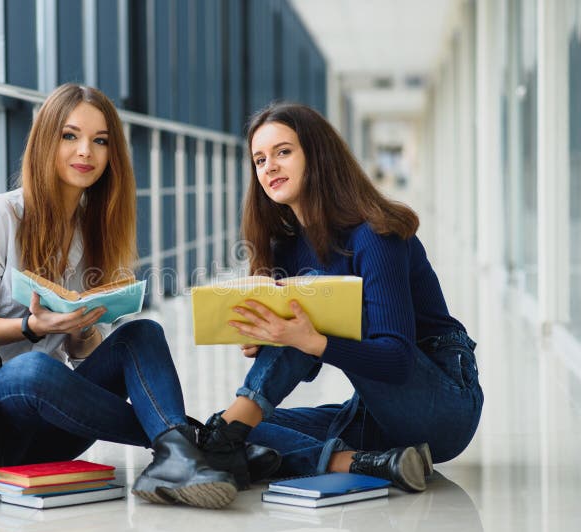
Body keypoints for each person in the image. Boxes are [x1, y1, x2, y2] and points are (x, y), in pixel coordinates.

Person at [0, 83, 238, 509]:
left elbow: (82, 361)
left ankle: (178, 450)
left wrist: (80, 332)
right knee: (34, 369)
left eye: (100, 141)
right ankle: (199, 444)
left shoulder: (90, 231)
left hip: (60, 425)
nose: (86, 152)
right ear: (46, 140)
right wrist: (30, 327)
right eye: (70, 136)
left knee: (142, 333)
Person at [196, 102, 483, 492]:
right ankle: (371, 464)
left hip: (441, 406)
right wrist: (270, 339)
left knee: (232, 425)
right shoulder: (287, 249)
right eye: (259, 160)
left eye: (283, 152)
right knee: (244, 431)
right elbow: (308, 364)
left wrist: (303, 337)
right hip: (374, 414)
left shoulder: (375, 233)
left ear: (317, 155)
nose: (269, 168)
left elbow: (396, 361)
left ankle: (224, 432)